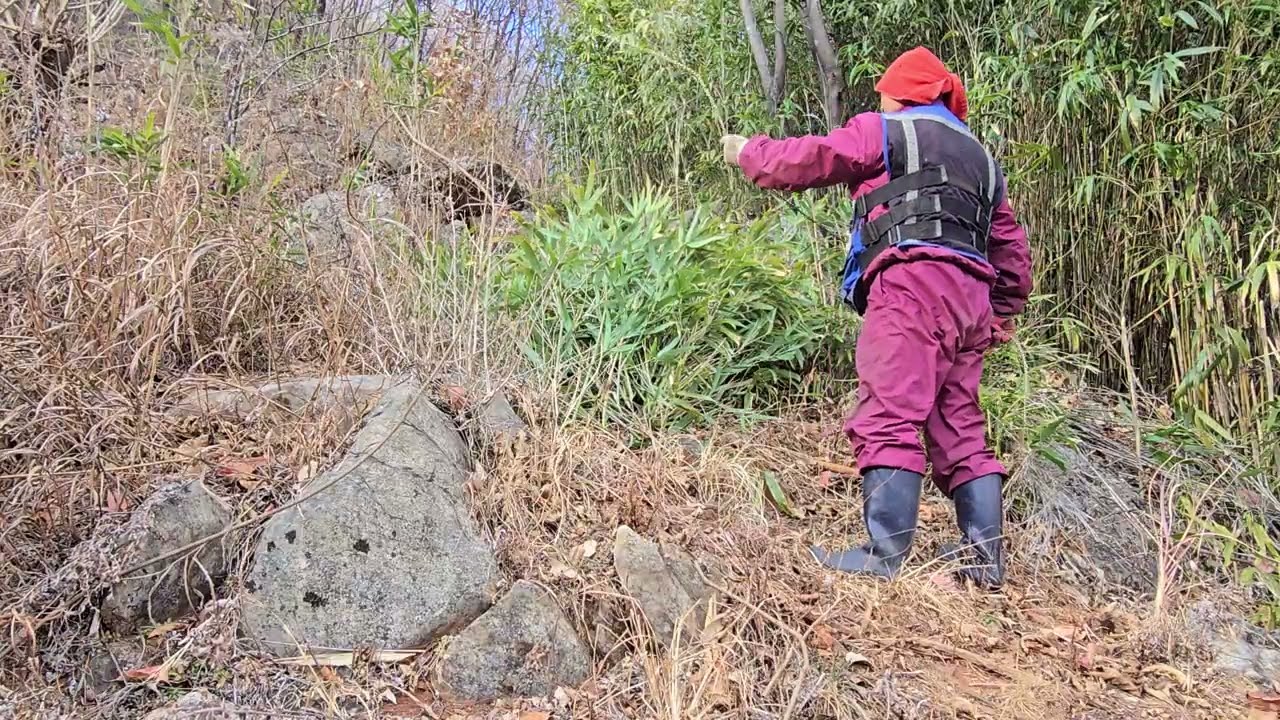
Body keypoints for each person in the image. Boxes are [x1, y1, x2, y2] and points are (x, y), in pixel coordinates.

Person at [722, 47, 1032, 589]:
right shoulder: (982, 158)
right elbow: (1012, 251)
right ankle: (985, 561)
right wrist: (1000, 311)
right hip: (970, 300)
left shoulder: (888, 129)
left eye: (883, 93)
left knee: (888, 411)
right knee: (960, 426)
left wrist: (751, 152)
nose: (879, 100)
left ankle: (883, 554)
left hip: (911, 286)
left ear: (901, 94)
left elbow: (813, 157)